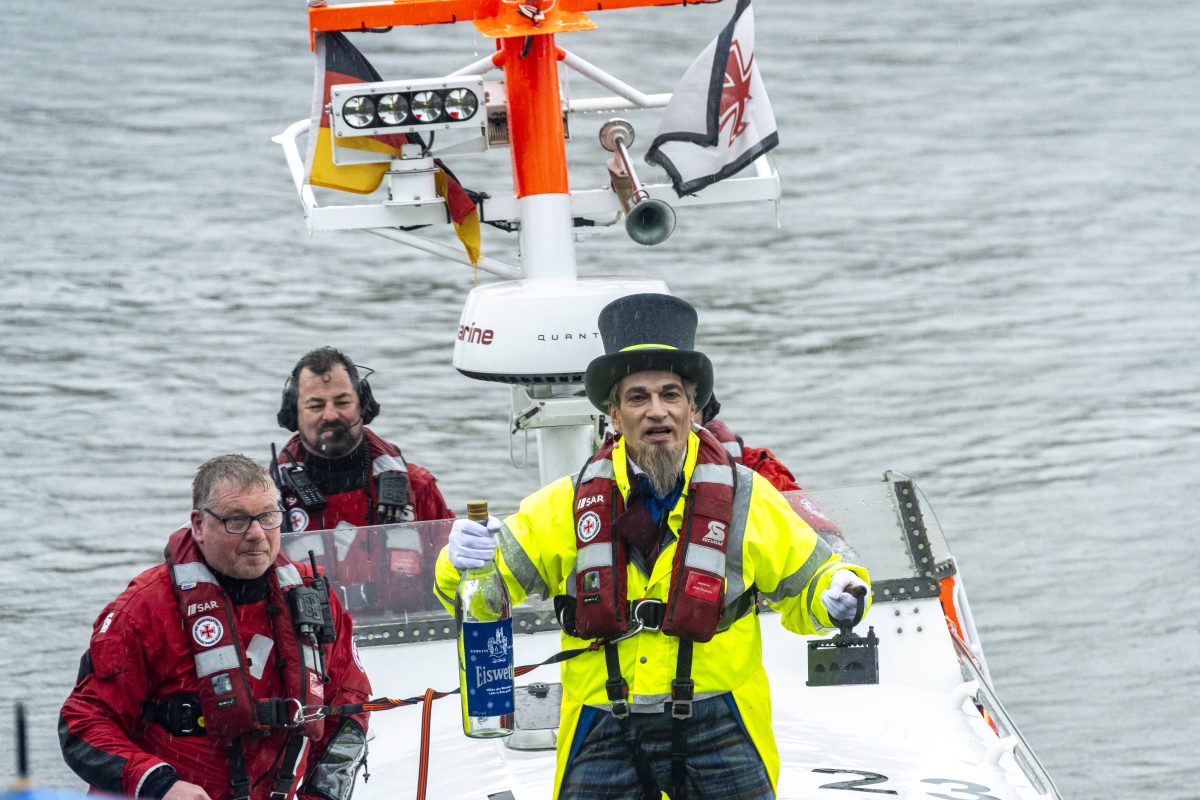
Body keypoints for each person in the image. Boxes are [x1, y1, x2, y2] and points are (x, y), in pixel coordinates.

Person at [435, 293, 872, 800]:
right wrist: (462, 561)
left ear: (693, 408)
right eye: (638, 397)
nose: (657, 411)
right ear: (614, 416)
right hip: (602, 718)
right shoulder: (564, 505)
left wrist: (839, 591)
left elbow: (813, 581)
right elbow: (470, 595)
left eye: (670, 394)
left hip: (721, 717)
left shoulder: (748, 499)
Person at [60, 454, 371, 800]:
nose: (256, 534)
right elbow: (82, 723)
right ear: (198, 525)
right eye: (236, 520)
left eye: (268, 517)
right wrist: (158, 784)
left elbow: (349, 703)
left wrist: (323, 793)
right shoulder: (143, 608)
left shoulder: (314, 596)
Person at [274, 347, 453, 612]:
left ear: (363, 405)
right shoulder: (268, 505)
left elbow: (455, 584)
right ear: (293, 415)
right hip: (317, 652)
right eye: (315, 405)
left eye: (342, 402)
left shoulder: (417, 488)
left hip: (407, 643)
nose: (331, 415)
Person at [696, 394, 845, 540]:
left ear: (704, 412)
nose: (672, 413)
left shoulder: (756, 466)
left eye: (676, 397)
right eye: (670, 398)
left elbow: (821, 535)